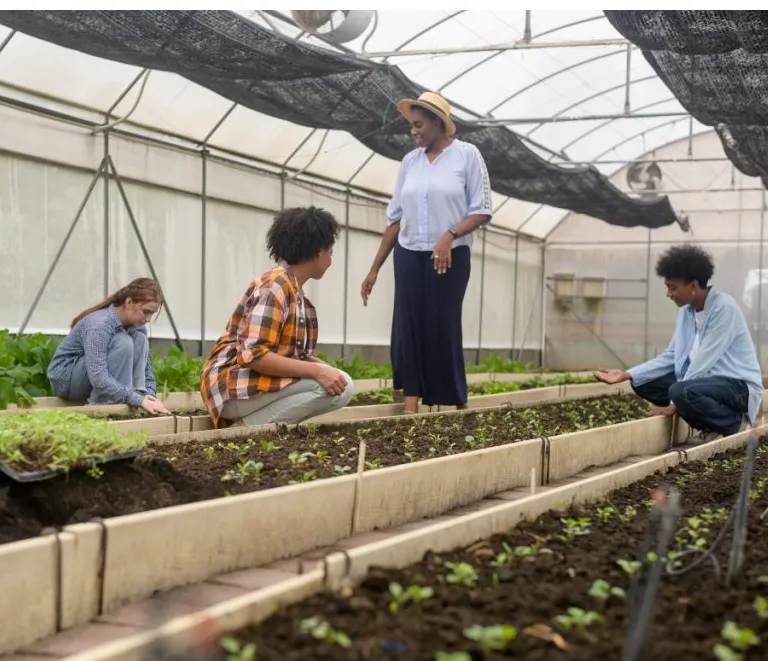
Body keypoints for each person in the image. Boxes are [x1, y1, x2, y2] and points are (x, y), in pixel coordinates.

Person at [361, 91, 493, 415]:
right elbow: (395, 218)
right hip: (408, 253)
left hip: (450, 254)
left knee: (442, 324)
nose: (413, 132)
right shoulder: (410, 162)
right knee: (409, 325)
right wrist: (374, 268)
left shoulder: (467, 156)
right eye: (411, 126)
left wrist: (450, 234)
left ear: (438, 122)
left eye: (418, 125)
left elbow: (483, 210)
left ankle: (458, 399)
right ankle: (410, 406)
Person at [201, 206, 354, 429]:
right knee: (342, 386)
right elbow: (253, 355)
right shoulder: (275, 286)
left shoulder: (293, 290)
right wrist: (318, 371)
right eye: (330, 251)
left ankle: (249, 427)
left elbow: (293, 355)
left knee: (338, 382)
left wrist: (323, 368)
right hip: (229, 387)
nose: (331, 258)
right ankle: (240, 431)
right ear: (318, 251)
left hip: (248, 385)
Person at [595, 244, 763, 442]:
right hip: (705, 384)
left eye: (672, 287)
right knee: (643, 381)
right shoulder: (686, 312)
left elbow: (702, 362)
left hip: (737, 388)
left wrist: (675, 403)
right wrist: (627, 374)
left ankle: (733, 423)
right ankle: (705, 421)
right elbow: (670, 356)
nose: (668, 294)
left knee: (681, 391)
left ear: (692, 285)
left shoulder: (723, 308)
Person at [47, 277, 169, 415]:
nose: (148, 319)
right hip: (67, 382)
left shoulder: (138, 328)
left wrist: (149, 395)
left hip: (93, 382)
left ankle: (130, 401)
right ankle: (103, 408)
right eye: (145, 312)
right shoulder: (100, 325)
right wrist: (136, 400)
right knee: (123, 342)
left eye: (152, 314)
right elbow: (98, 377)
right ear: (128, 302)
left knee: (139, 338)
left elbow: (147, 371)